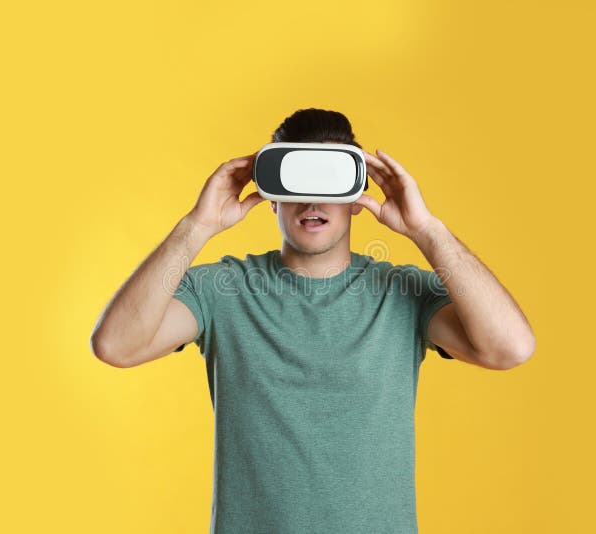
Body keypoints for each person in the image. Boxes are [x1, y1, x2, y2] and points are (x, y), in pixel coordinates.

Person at [90, 108, 536, 533]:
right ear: (271, 197)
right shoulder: (222, 290)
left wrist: (427, 231)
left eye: (330, 181)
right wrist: (197, 226)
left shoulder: (403, 293)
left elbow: (511, 348)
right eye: (297, 181)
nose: (312, 200)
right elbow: (116, 345)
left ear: (356, 197)